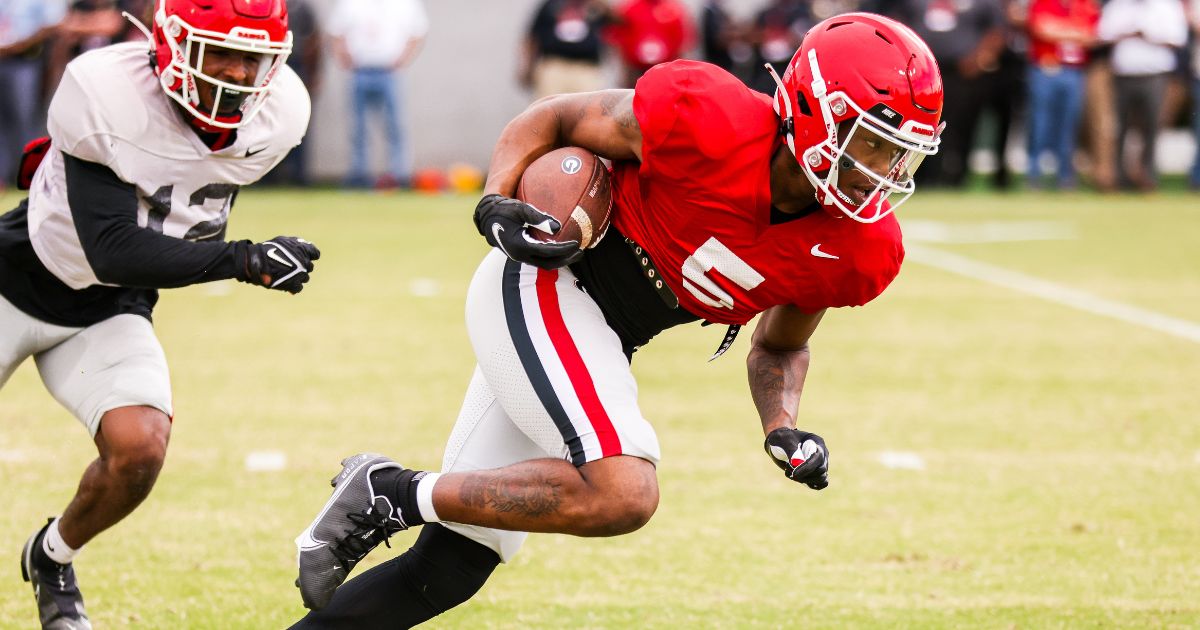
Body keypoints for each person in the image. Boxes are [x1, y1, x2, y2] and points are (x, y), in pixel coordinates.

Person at [289, 12, 943, 627]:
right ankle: (389, 490)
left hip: (601, 335)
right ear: (813, 110)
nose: (885, 173)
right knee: (625, 492)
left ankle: (391, 501)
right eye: (875, 145)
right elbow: (555, 117)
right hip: (550, 280)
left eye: (900, 155)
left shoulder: (858, 249)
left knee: (452, 566)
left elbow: (776, 349)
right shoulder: (706, 116)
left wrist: (784, 425)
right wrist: (494, 199)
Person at [1, 0, 316, 627]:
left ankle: (52, 555)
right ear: (170, 41)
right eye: (219, 52)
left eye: (250, 58)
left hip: (107, 305)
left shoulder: (279, 114)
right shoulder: (105, 91)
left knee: (140, 449)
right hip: (16, 279)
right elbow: (112, 247)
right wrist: (244, 260)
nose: (233, 74)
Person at [889, 0, 1005, 188]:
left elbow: (996, 29)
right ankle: (916, 177)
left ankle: (954, 178)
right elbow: (895, 24)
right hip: (920, 73)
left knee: (959, 126)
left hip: (962, 71)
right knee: (918, 124)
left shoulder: (983, 4)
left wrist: (979, 59)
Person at [327, 0, 429, 190]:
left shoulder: (406, 4)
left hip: (390, 72)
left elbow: (418, 32)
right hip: (360, 70)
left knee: (395, 125)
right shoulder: (350, 4)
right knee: (358, 127)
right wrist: (344, 56)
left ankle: (399, 175)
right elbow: (336, 32)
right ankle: (359, 174)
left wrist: (403, 59)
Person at [1098, 0, 1187, 192]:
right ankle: (1119, 178)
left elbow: (1179, 38)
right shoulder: (1118, 5)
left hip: (1155, 75)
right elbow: (1101, 33)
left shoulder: (1166, 6)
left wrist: (1149, 35)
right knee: (1119, 127)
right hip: (1123, 74)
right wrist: (1127, 33)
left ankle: (1147, 176)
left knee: (1152, 126)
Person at [1024, 0, 1099, 190]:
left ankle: (1065, 178)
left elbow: (1092, 36)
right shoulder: (1044, 3)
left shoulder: (1084, 4)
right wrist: (1075, 31)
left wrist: (1058, 29)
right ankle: (1033, 176)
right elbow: (1041, 28)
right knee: (1040, 124)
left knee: (1069, 126)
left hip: (1073, 72)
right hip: (1046, 68)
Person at [0, 0, 68, 187]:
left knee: (26, 118)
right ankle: (4, 176)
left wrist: (19, 45)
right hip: (3, 58)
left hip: (26, 59)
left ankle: (30, 176)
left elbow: (55, 24)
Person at [520, 0, 612, 100]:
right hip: (555, 65)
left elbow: (620, 21)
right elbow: (533, 37)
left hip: (586, 68)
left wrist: (602, 6)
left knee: (587, 108)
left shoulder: (595, 5)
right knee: (549, 107)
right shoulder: (551, 4)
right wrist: (528, 67)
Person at [607, 0, 694, 88]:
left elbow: (681, 39)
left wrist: (677, 69)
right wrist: (626, 70)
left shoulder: (673, 8)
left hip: (665, 69)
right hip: (637, 69)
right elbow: (620, 36)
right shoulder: (629, 8)